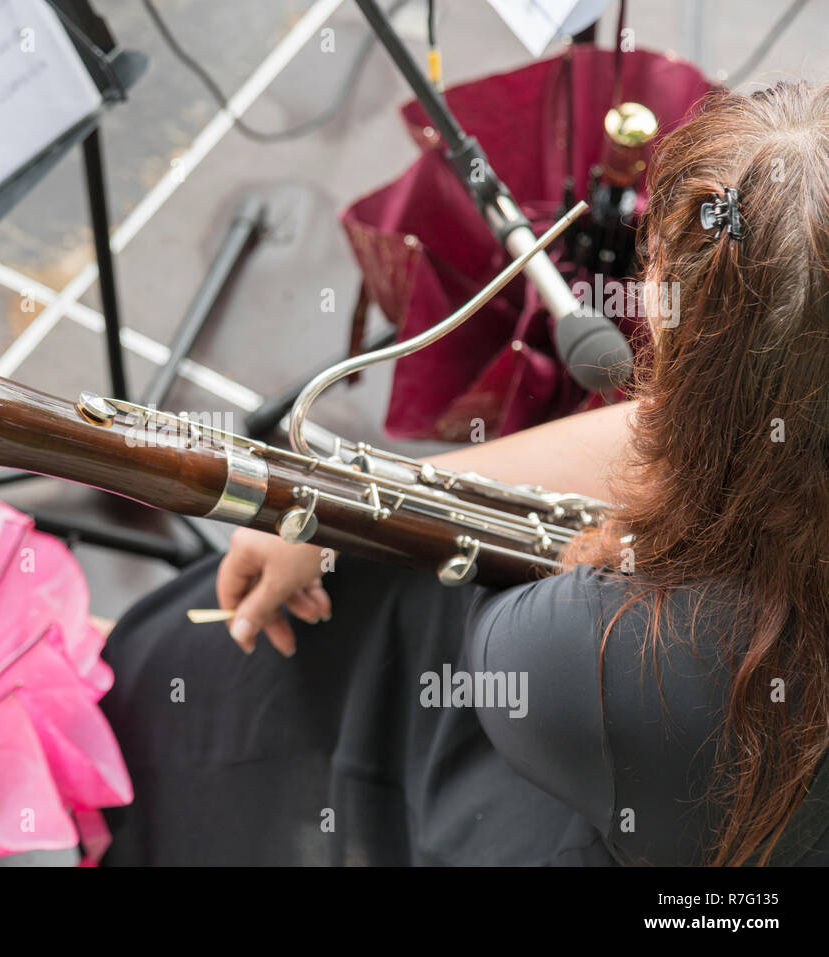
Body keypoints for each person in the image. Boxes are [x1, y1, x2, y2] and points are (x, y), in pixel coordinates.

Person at [98, 81, 829, 866]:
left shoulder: (587, 645)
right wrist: (340, 504)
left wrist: (342, 517)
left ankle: (137, 767)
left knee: (372, 624)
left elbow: (508, 655)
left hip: (638, 798)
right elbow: (719, 441)